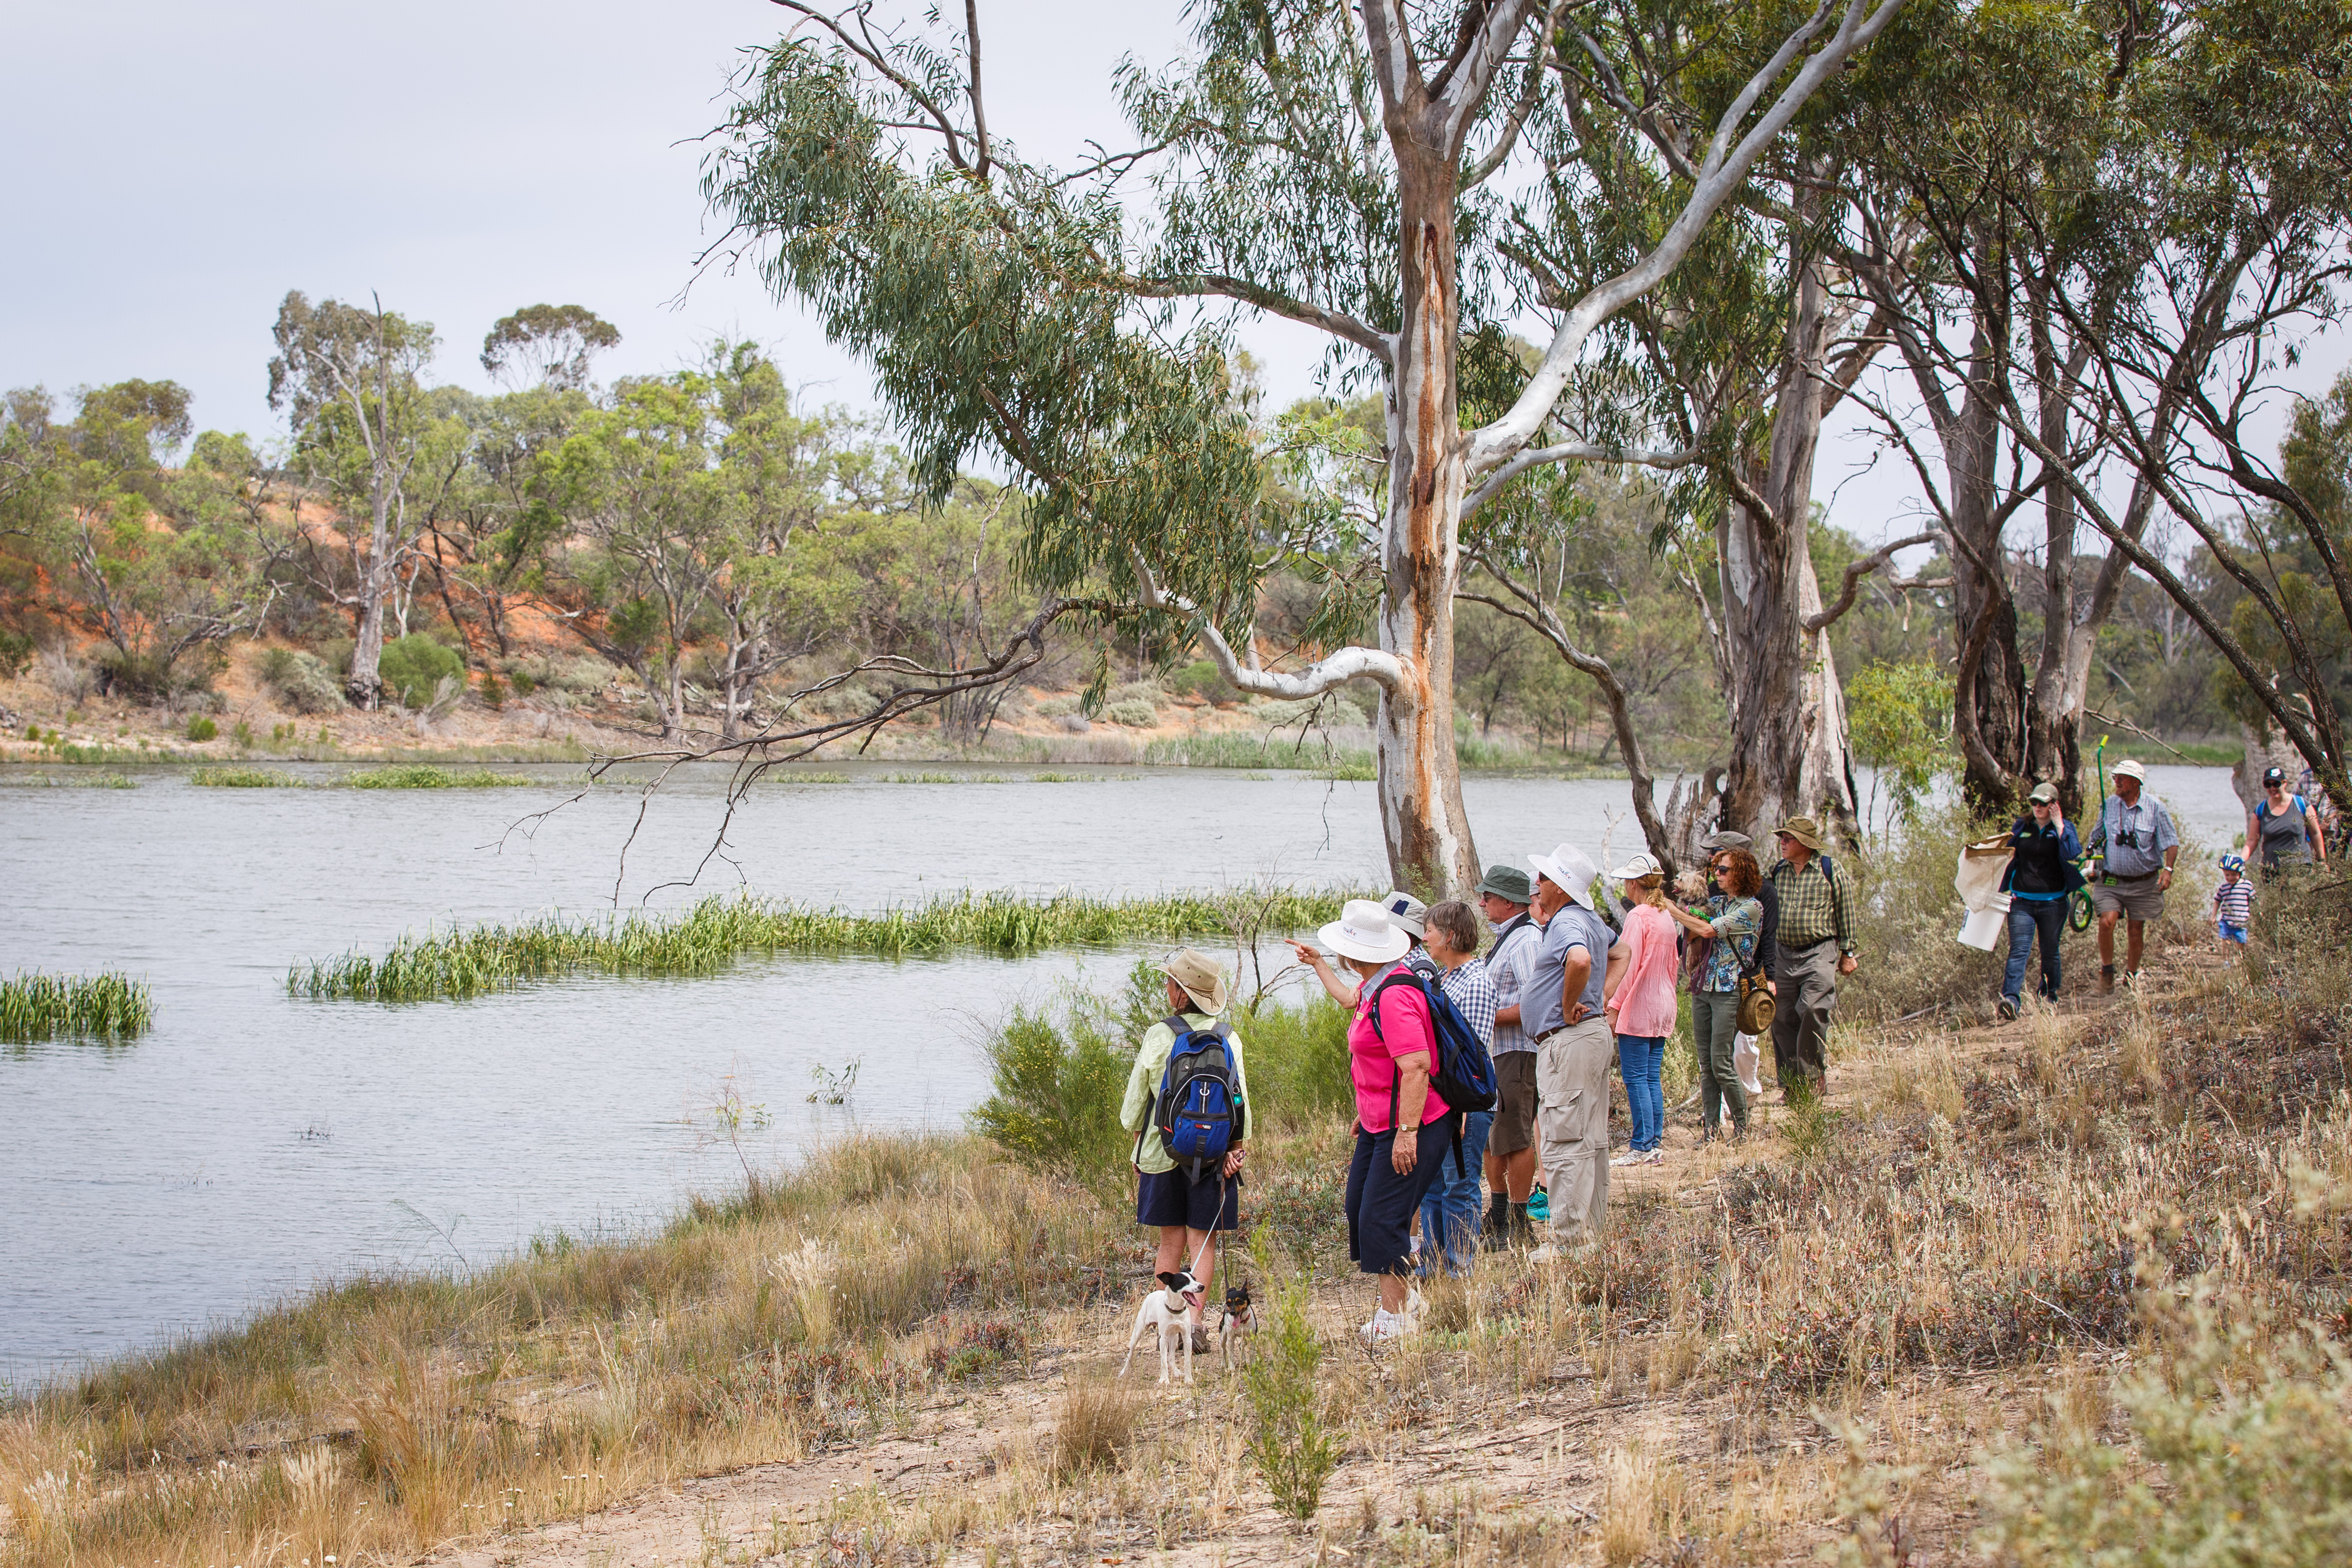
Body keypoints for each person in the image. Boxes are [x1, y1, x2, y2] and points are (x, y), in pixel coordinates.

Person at [1307, 900, 1457, 1344]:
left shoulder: (1393, 994)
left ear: (1353, 952)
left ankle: (1395, 1316)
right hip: (1380, 1122)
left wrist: (1407, 1133)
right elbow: (1378, 1057)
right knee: (1359, 1206)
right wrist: (1368, 1109)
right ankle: (1409, 1300)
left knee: (1382, 1215)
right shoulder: (1374, 986)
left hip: (1414, 1123)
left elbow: (1417, 1066)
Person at [1119, 949, 1250, 1353]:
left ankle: (1168, 1327)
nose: (1167, 986)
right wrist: (1236, 1149)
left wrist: (1139, 1145)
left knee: (1169, 1242)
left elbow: (1134, 1105)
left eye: (1171, 982)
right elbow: (1241, 1101)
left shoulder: (1159, 1034)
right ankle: (1194, 1326)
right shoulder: (1228, 1036)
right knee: (1202, 1242)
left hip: (1162, 1153)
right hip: (1212, 1156)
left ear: (1182, 993)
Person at [1523, 843, 1622, 1261]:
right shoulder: (1590, 919)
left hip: (1569, 1038)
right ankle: (1589, 1232)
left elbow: (1579, 960)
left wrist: (1568, 1006)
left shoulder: (1565, 921)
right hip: (1590, 1034)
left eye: (1545, 878)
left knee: (1565, 1138)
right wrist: (1602, 995)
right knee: (1591, 1137)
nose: (1539, 884)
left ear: (1561, 887)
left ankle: (1569, 1241)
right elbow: (1622, 952)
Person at [1655, 846, 1765, 1141]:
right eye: (1716, 869)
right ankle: (1711, 1131)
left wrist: (1673, 910)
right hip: (1703, 986)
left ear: (1741, 873)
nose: (1718, 874)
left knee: (1721, 1062)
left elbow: (1707, 931)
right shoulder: (1718, 903)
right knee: (1707, 1065)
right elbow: (1696, 917)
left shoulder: (1751, 908)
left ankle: (1742, 1129)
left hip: (1730, 990)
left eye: (1724, 869)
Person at [1412, 899, 1497, 1275]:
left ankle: (1459, 1269)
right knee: (1433, 1184)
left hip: (1465, 1103)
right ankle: (1431, 1265)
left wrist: (1460, 1109)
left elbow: (1471, 1057)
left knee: (1459, 1184)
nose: (1425, 937)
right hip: (1441, 1102)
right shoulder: (1446, 979)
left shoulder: (1475, 982)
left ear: (1449, 935)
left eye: (1430, 930)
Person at [1476, 865, 1544, 1245]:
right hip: (1498, 1052)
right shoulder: (1510, 936)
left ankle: (1518, 1222)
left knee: (1516, 1137)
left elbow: (1535, 1004)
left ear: (1507, 902)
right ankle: (1500, 1215)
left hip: (1517, 1052)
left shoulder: (1527, 941)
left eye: (1488, 897)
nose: (1482, 903)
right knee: (1494, 1136)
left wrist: (1484, 1018)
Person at [1766, 817, 1857, 1098]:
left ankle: (1814, 1076)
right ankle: (1793, 1084)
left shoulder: (1830, 870)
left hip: (1820, 950)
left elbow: (1846, 910)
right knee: (1781, 1015)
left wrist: (1848, 952)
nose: (1782, 843)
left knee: (1813, 1008)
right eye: (1781, 838)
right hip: (1783, 952)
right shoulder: (1777, 871)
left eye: (1788, 839)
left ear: (1804, 844)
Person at [1602, 853, 1679, 1167]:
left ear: (1634, 884)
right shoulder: (1664, 915)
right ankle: (1653, 1142)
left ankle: (1641, 1145)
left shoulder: (1638, 916)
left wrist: (1613, 1005)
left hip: (1641, 1005)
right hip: (1663, 1004)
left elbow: (1628, 965)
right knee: (1650, 1077)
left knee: (1635, 1078)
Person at [2087, 759, 2180, 991]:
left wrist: (2168, 871)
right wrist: (2092, 862)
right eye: (2115, 777)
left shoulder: (2155, 808)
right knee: (2106, 921)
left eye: (2122, 778)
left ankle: (2131, 975)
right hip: (2111, 879)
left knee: (2136, 929)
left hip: (2144, 882)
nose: (2117, 781)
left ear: (2137, 782)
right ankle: (2107, 972)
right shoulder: (2108, 805)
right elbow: (2095, 838)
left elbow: (2171, 842)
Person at [1997, 781, 2084, 1020]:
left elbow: (2072, 853)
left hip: (2053, 903)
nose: (2037, 807)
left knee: (2050, 951)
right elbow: (2005, 851)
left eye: (2043, 803)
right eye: (2034, 802)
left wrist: (2059, 825)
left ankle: (2048, 997)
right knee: (2018, 951)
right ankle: (2011, 1000)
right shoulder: (2023, 826)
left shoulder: (2064, 828)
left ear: (2054, 805)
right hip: (2022, 902)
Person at [1700, 829, 1777, 990]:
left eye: (1715, 851)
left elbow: (1768, 934)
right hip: (1712, 976)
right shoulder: (1714, 888)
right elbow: (1699, 924)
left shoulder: (1764, 890)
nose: (1710, 856)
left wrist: (1769, 976)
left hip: (1745, 974)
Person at [2249, 764, 2329, 877]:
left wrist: (2321, 861)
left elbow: (2315, 833)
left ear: (2285, 783)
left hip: (2300, 867)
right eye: (2268, 785)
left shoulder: (2301, 804)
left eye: (2276, 784)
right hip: (2272, 870)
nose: (2272, 788)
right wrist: (2240, 861)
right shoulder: (2260, 810)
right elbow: (2252, 840)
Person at [2211, 853, 2253, 944]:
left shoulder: (2247, 885)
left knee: (2241, 944)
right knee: (2226, 943)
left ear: (2240, 873)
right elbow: (2217, 901)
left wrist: (2257, 916)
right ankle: (2225, 955)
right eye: (2227, 875)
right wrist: (2213, 916)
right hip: (2226, 922)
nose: (2230, 878)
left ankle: (2240, 954)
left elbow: (2255, 900)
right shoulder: (2224, 888)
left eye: (2234, 875)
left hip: (2242, 923)